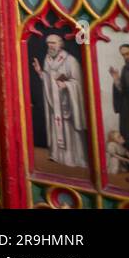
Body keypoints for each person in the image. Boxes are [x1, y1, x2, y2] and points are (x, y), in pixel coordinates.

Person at [33, 34, 88, 168]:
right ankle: (57, 155)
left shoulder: (70, 60)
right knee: (55, 125)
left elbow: (78, 83)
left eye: (53, 43)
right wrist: (40, 72)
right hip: (54, 103)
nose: (50, 46)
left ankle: (73, 158)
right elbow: (48, 79)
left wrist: (67, 85)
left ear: (61, 44)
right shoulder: (47, 59)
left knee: (70, 131)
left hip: (67, 103)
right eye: (48, 43)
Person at [109, 43, 129, 158]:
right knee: (128, 133)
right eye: (123, 55)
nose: (125, 57)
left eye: (127, 54)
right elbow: (123, 90)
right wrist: (116, 79)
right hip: (128, 109)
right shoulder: (125, 68)